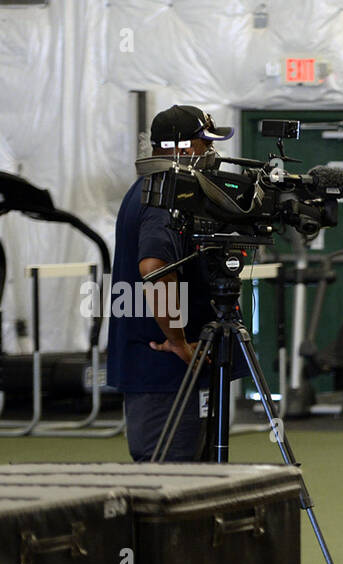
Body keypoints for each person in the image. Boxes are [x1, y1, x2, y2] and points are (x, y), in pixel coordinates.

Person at [107, 104, 235, 461]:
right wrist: (177, 340)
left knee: (194, 479)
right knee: (169, 480)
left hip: (167, 367)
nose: (210, 152)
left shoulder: (155, 188)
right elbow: (155, 266)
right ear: (179, 148)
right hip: (161, 366)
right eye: (203, 143)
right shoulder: (164, 195)